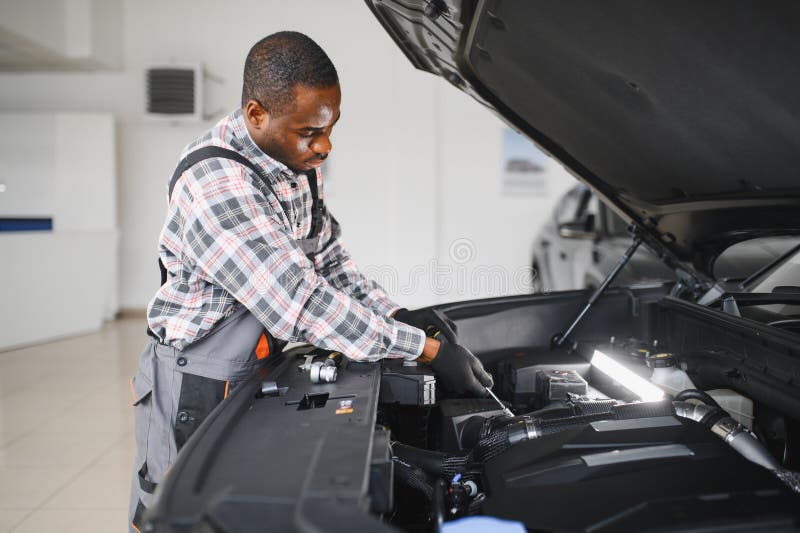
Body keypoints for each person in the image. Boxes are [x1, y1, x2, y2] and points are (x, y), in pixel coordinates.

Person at [128, 31, 492, 532]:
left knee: (250, 511)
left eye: (331, 126)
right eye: (309, 132)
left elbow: (328, 261)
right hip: (200, 379)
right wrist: (425, 349)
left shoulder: (294, 163)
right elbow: (299, 302)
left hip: (258, 360)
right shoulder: (218, 184)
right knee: (189, 511)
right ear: (257, 114)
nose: (324, 146)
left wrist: (397, 315)